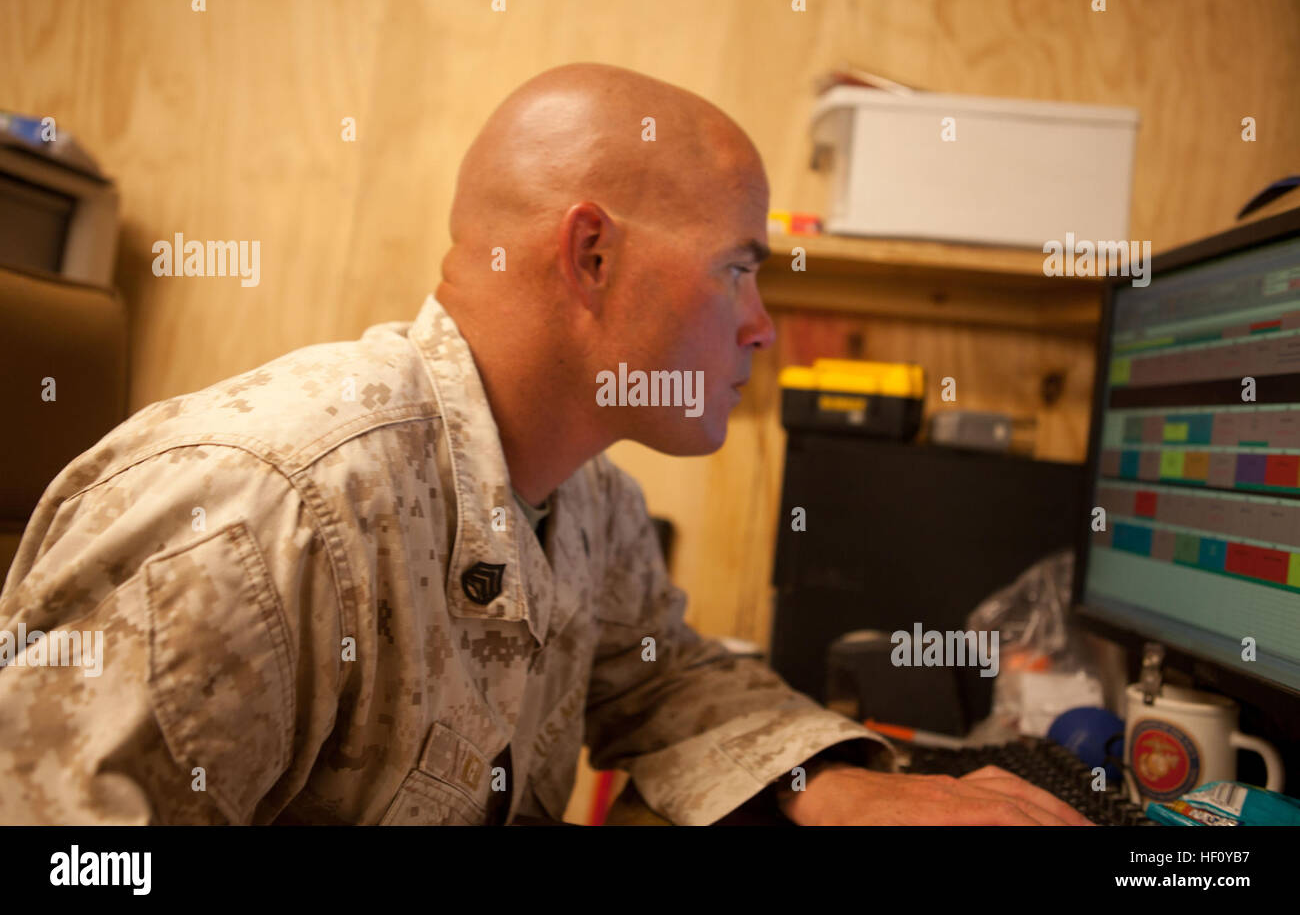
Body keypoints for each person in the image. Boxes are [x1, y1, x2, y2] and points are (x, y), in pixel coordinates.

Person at [0, 63, 1089, 826]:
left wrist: (824, 781)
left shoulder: (589, 499)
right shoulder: (264, 507)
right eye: (737, 269)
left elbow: (652, 682)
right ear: (592, 256)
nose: (761, 325)